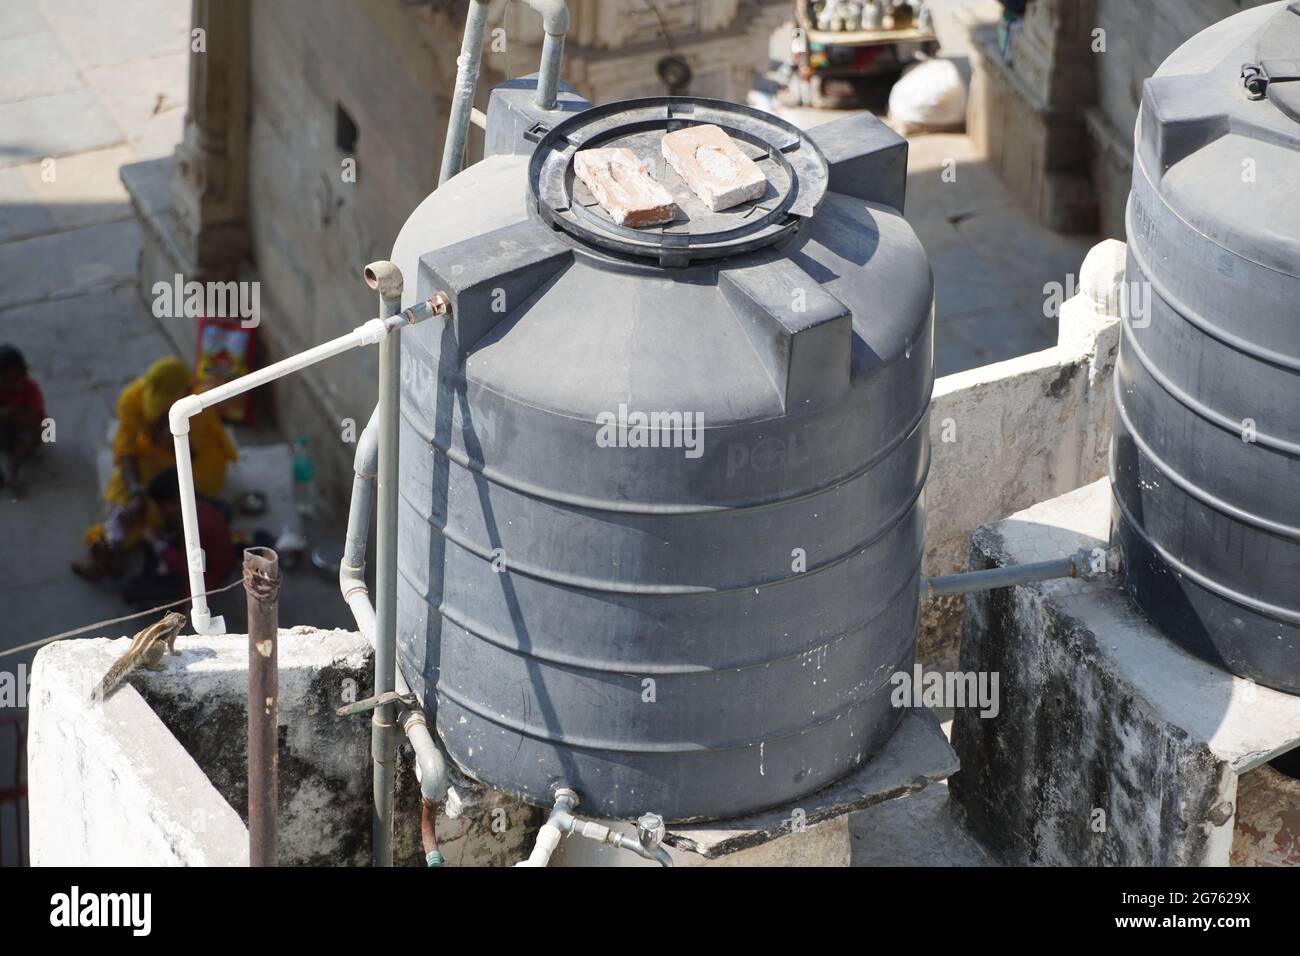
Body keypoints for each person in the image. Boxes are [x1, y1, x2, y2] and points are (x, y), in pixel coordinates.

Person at [74, 356, 237, 580]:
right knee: (125, 484)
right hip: (155, 454)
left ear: (184, 391)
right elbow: (126, 448)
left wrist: (170, 436)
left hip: (197, 465)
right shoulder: (131, 399)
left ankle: (113, 546)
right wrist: (136, 491)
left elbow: (189, 454)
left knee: (160, 500)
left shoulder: (197, 405)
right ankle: (110, 540)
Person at [122, 468, 235, 606]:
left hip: (203, 585)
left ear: (178, 499)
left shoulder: (199, 527)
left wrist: (157, 542)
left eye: (162, 505)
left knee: (131, 591)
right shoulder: (203, 508)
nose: (160, 511)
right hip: (209, 566)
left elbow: (186, 570)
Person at [0, 344, 45, 496]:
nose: (12, 380)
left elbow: (34, 417)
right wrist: (9, 413)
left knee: (38, 431)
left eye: (16, 375)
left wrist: (18, 414)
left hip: (29, 430)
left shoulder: (31, 388)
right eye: (7, 376)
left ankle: (14, 467)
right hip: (7, 430)